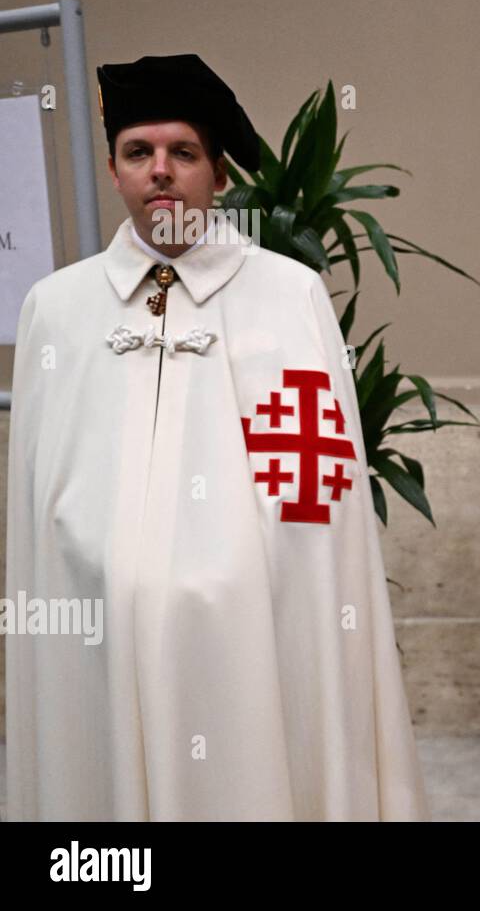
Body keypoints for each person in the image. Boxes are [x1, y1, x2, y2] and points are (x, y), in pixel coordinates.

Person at [4, 53, 429, 820]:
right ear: (113, 169)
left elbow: (316, 512)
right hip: (96, 633)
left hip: (252, 635)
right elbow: (40, 503)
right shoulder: (56, 310)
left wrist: (227, 582)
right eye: (139, 152)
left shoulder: (286, 296)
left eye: (184, 152)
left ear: (219, 175)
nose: (160, 172)